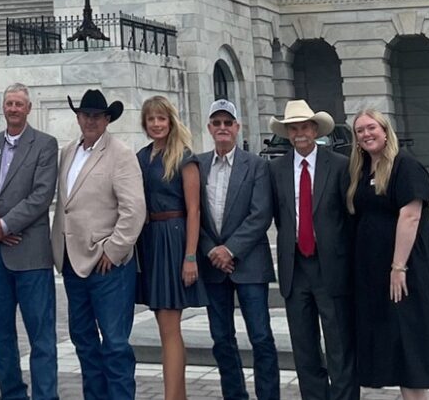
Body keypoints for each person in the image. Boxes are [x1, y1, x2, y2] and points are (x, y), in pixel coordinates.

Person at [347, 108, 429, 400]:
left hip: (408, 266)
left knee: (411, 341)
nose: (367, 134)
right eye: (360, 131)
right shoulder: (362, 169)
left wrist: (398, 267)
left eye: (372, 128)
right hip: (376, 267)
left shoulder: (404, 165)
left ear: (385, 131)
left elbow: (410, 216)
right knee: (394, 342)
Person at [52, 89, 145, 400]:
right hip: (73, 261)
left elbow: (134, 209)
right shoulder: (67, 152)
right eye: (85, 114)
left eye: (97, 116)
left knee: (116, 344)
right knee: (84, 340)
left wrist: (114, 249)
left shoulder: (121, 153)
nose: (90, 120)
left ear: (107, 120)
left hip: (108, 265)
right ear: (77, 117)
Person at [0, 82, 60, 400]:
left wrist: (6, 224)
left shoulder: (45, 145)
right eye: (9, 103)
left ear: (29, 108)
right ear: (3, 106)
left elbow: (41, 195)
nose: (13, 108)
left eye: (19, 104)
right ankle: (12, 394)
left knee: (41, 336)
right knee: (1, 336)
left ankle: (46, 395)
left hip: (31, 257)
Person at [269, 99, 358, 400]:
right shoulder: (277, 169)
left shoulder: (339, 165)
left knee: (339, 345)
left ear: (315, 129)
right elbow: (278, 216)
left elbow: (350, 217)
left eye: (304, 127)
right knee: (304, 347)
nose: (299, 133)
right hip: (296, 267)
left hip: (330, 266)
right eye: (293, 129)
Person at [193, 100, 280, 400]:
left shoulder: (256, 165)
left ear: (236, 127)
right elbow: (194, 214)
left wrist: (229, 250)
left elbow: (260, 215)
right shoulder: (198, 164)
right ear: (209, 128)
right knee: (221, 339)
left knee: (261, 337)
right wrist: (211, 250)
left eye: (227, 123)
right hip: (213, 266)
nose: (222, 128)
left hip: (249, 265)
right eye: (216, 123)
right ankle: (235, 395)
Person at [135, 95, 204, 400]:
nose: (157, 124)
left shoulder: (184, 157)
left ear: (171, 121)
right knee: (165, 327)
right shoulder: (141, 156)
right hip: (150, 240)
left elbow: (195, 210)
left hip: (173, 239)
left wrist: (190, 255)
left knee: (169, 326)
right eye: (151, 119)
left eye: (161, 118)